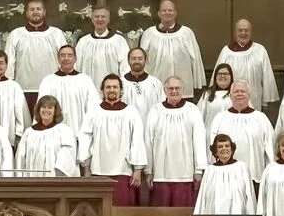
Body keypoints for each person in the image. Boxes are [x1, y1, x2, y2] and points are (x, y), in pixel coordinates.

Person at [79, 75, 147, 206]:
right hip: (98, 170)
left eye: (115, 87)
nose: (111, 90)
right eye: (108, 87)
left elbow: (137, 141)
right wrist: (86, 168)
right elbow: (85, 138)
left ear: (121, 90)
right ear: (102, 91)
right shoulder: (94, 112)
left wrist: (137, 170)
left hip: (123, 170)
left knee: (122, 211)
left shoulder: (131, 112)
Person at [144, 77, 206, 206]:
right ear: (164, 90)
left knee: (183, 215)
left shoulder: (192, 110)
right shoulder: (155, 111)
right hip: (160, 173)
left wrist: (198, 170)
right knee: (161, 215)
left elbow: (199, 141)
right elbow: (148, 141)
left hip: (186, 174)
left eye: (177, 88)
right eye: (170, 88)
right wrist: (148, 170)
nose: (174, 91)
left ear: (183, 90)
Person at [207, 81, 273, 185]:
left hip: (254, 177)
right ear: (230, 95)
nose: (239, 94)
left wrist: (271, 174)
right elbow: (212, 147)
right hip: (226, 177)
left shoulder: (261, 118)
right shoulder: (220, 118)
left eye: (243, 91)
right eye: (236, 91)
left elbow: (270, 148)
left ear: (249, 95)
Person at [139, 0, 205, 95]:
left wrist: (198, 84)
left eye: (170, 10)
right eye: (164, 10)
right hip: (156, 86)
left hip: (183, 87)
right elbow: (142, 60)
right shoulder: (149, 34)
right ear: (159, 13)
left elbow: (196, 59)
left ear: (175, 13)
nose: (167, 13)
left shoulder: (186, 33)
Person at [4, 0, 66, 95]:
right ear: (26, 13)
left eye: (38, 9)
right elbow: (9, 61)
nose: (35, 12)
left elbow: (64, 60)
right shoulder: (16, 34)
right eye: (32, 9)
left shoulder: (56, 34)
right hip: (23, 89)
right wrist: (9, 85)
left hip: (51, 89)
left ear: (44, 12)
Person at [214, 19, 278, 109]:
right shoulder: (226, 52)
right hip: (230, 101)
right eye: (240, 30)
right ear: (235, 32)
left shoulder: (260, 50)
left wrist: (265, 101)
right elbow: (218, 76)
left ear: (251, 32)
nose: (243, 33)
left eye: (246, 30)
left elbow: (267, 78)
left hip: (254, 100)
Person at [36, 44, 99, 133]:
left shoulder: (85, 80)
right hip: (54, 133)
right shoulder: (48, 81)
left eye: (70, 55)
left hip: (79, 132)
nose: (66, 58)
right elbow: (42, 108)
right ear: (58, 58)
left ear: (75, 59)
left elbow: (93, 107)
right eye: (62, 55)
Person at [15, 95, 79, 177]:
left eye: (50, 107)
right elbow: (20, 158)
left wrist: (59, 172)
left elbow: (68, 153)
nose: (46, 110)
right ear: (38, 110)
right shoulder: (29, 133)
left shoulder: (63, 131)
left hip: (55, 180)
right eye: (43, 107)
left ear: (55, 111)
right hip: (32, 180)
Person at [192, 134, 255, 215]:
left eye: (227, 146)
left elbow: (249, 195)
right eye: (220, 146)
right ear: (215, 151)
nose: (224, 148)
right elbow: (202, 197)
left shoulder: (242, 167)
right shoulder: (210, 170)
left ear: (232, 149)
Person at [75, 7, 130, 86]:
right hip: (87, 89)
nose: (100, 19)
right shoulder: (83, 42)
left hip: (111, 90)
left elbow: (125, 68)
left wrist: (120, 87)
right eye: (96, 17)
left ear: (108, 20)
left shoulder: (119, 41)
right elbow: (77, 67)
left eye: (103, 17)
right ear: (92, 19)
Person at [197, 63, 235, 130]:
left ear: (231, 76)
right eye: (219, 74)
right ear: (215, 77)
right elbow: (198, 118)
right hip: (211, 135)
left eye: (226, 74)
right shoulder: (207, 94)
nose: (222, 76)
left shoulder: (237, 94)